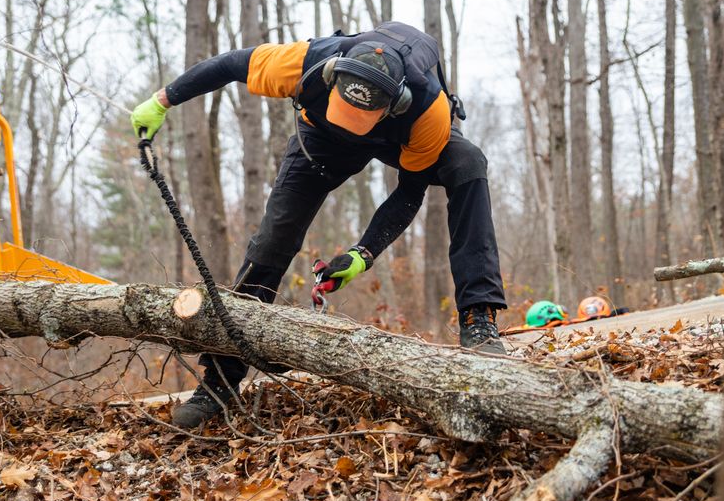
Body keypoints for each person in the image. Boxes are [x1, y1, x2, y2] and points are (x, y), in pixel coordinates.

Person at [130, 22, 507, 428]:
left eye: (359, 116)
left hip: (393, 141)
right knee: (274, 238)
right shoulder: (304, 63)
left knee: (468, 162)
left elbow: (409, 193)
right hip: (319, 140)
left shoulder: (426, 111)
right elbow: (229, 65)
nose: (351, 122)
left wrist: (363, 254)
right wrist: (163, 100)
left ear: (396, 102)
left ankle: (478, 320)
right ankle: (221, 379)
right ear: (334, 75)